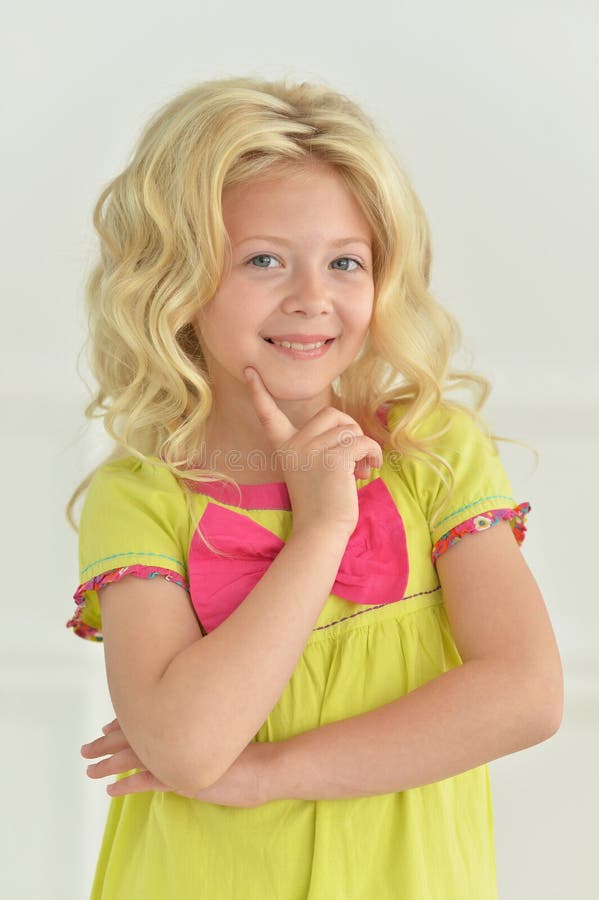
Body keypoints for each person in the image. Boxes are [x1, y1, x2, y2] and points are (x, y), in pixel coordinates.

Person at [67, 75, 563, 899]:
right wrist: (321, 526)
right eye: (263, 261)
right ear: (177, 283)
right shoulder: (144, 495)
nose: (312, 299)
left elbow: (523, 695)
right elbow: (188, 749)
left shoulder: (430, 452)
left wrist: (267, 772)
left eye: (345, 262)